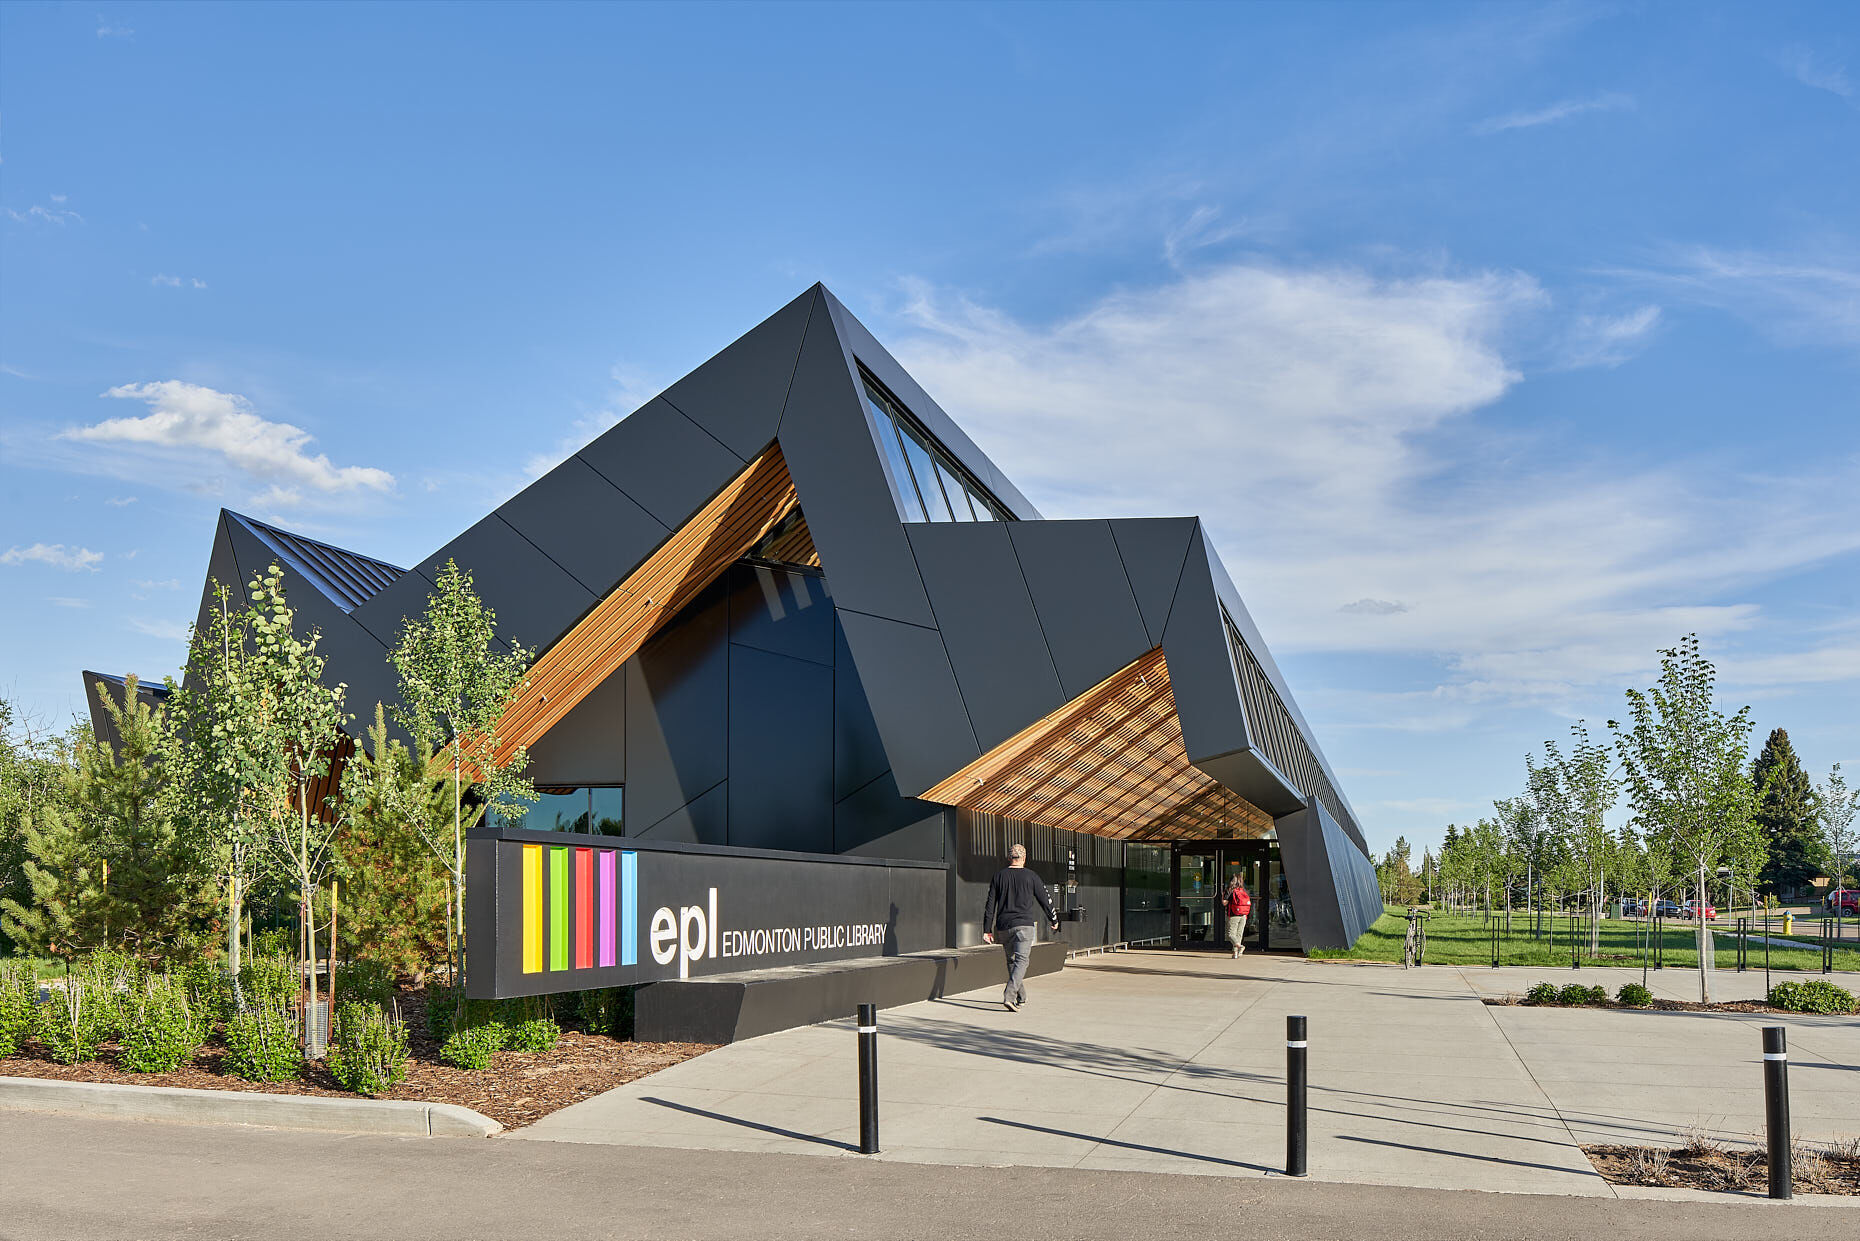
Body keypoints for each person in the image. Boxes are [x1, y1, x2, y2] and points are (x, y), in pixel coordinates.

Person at [982, 843, 1058, 1011]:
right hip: (1024, 925)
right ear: (1024, 858)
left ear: (1009, 858)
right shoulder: (1032, 876)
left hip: (1004, 926)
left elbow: (989, 905)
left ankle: (1020, 996)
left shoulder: (999, 876)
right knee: (1022, 961)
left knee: (1012, 961)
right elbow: (1045, 899)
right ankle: (1009, 995)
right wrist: (1054, 919)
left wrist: (986, 929)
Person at [1224, 877, 1252, 958]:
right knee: (1239, 934)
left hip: (1233, 915)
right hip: (1243, 915)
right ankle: (1235, 953)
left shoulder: (1229, 890)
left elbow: (1224, 903)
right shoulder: (1244, 890)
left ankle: (1239, 946)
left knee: (1231, 934)